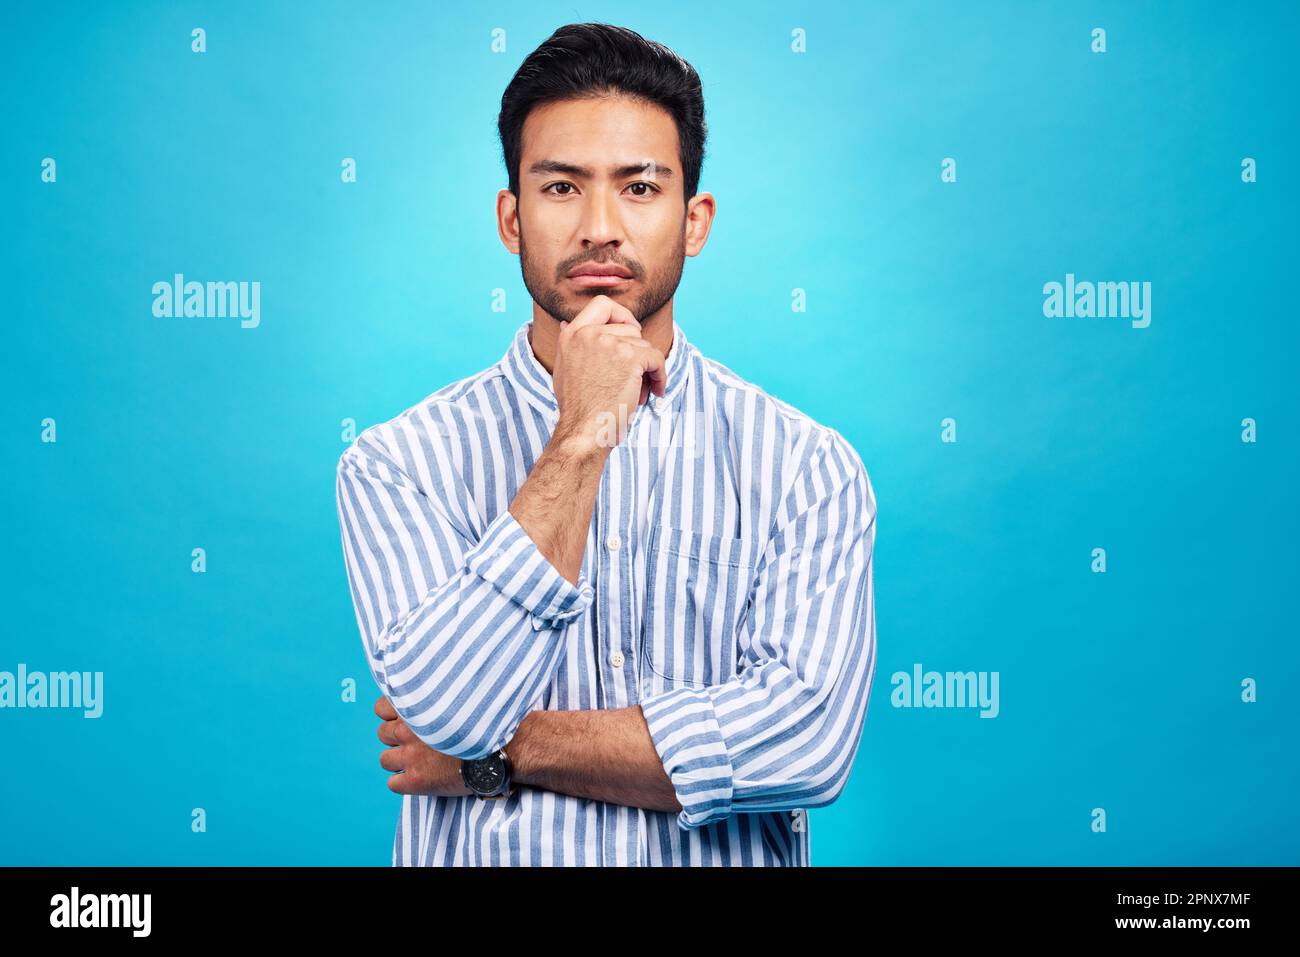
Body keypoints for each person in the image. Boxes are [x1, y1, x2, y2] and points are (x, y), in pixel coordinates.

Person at [335, 22, 877, 866]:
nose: (599, 227)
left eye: (639, 188)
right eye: (560, 188)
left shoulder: (809, 468)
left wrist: (502, 753)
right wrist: (582, 434)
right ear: (511, 218)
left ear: (694, 220)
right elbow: (447, 707)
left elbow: (807, 743)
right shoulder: (399, 462)